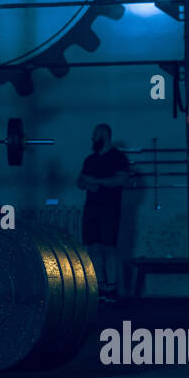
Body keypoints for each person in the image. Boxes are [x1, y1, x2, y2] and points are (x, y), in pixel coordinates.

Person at [76, 123, 130, 299]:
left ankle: (112, 290)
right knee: (93, 248)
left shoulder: (118, 158)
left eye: (94, 135)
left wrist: (96, 181)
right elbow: (80, 182)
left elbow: (120, 180)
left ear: (104, 135)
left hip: (109, 209)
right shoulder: (89, 160)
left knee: (109, 248)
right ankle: (100, 288)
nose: (92, 139)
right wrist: (88, 183)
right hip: (91, 209)